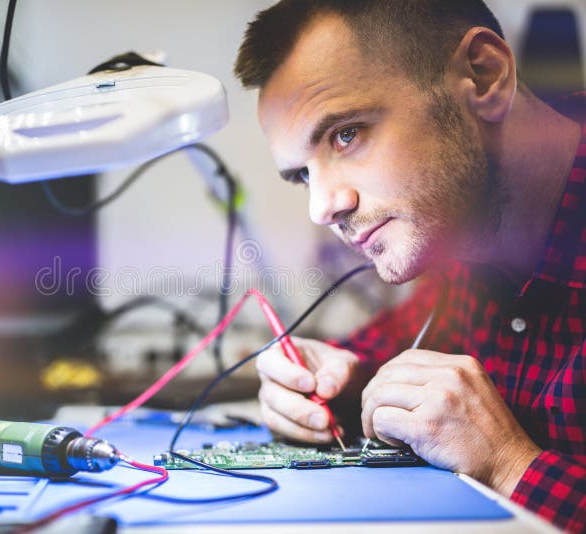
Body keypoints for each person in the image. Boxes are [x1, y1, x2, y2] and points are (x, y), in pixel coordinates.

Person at [234, 1, 585, 531]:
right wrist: (323, 383)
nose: (323, 207)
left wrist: (510, 465)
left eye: (346, 134)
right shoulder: (460, 247)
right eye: (303, 175)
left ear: (485, 77)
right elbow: (368, 358)